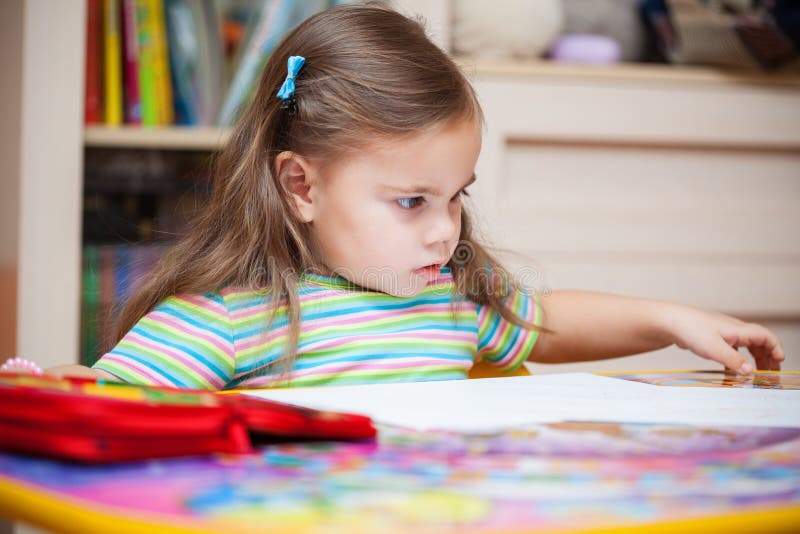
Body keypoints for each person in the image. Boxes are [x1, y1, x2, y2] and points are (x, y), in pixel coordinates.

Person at [2, 4, 784, 388]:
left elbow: (545, 324)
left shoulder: (449, 299)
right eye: (412, 202)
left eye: (456, 196)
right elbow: (108, 400)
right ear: (300, 186)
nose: (446, 232)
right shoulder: (243, 316)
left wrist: (672, 319)